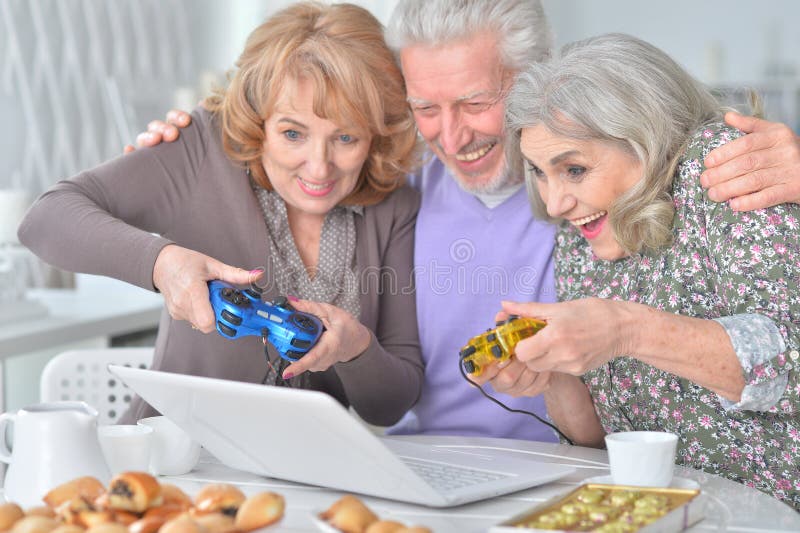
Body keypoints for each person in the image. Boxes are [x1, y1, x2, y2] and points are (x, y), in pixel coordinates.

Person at [132, 0, 800, 441]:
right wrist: (186, 142)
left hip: (570, 466)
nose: (451, 137)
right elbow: (286, 155)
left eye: (477, 103)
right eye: (426, 108)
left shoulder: (595, 192)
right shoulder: (392, 180)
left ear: (537, 80)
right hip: (420, 462)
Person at [18, 2, 424, 426]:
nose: (320, 167)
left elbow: (391, 404)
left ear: (375, 133)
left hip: (302, 466)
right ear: (258, 119)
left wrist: (357, 348)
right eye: (292, 133)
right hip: (170, 455)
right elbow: (46, 218)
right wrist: (162, 264)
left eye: (346, 137)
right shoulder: (202, 149)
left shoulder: (394, 205)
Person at [497, 33, 800, 509]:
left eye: (573, 169)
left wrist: (626, 329)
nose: (555, 203)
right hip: (656, 509)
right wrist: (551, 370)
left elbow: (788, 361)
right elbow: (595, 442)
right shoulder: (580, 231)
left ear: (645, 137)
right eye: (539, 171)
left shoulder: (725, 168)